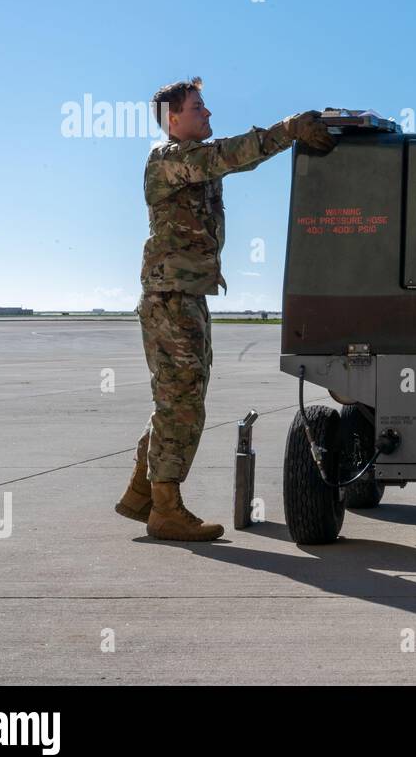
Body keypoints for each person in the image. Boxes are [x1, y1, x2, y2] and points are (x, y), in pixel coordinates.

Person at [115, 77, 337, 540]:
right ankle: (165, 509)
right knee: (182, 402)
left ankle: (143, 494)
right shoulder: (169, 159)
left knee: (177, 398)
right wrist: (288, 129)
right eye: (199, 108)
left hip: (185, 295)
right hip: (169, 296)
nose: (209, 115)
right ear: (172, 120)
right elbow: (229, 156)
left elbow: (229, 159)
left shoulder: (193, 163)